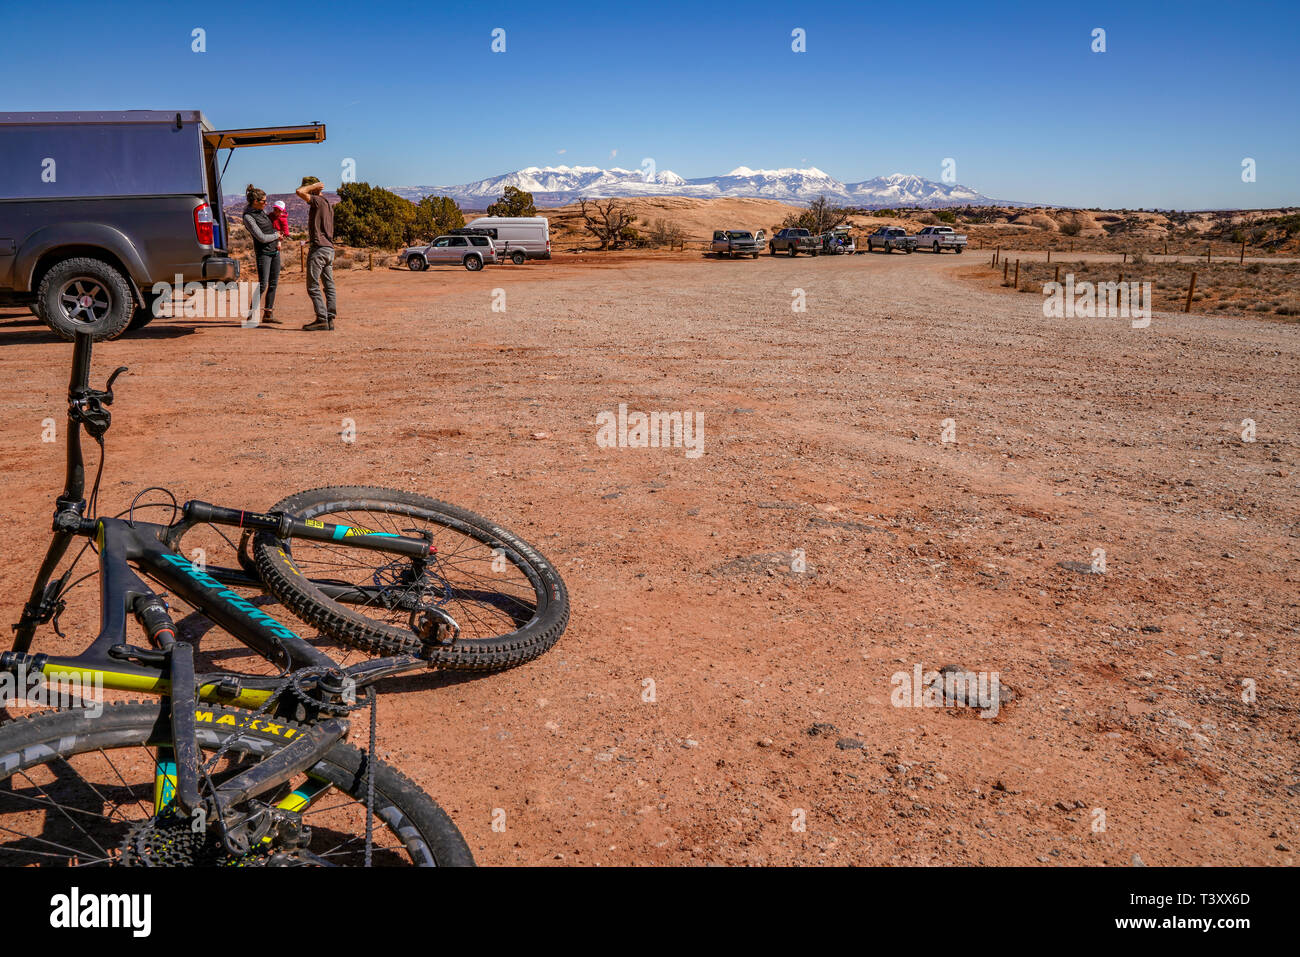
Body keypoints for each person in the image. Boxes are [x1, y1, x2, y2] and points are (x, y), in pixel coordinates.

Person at [295, 176, 335, 331]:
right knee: (329, 285)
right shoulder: (327, 204)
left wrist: (313, 186)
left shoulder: (317, 201)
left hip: (318, 249)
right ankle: (329, 318)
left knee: (313, 286)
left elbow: (299, 192)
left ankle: (321, 319)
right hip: (329, 249)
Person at [241, 184, 281, 324]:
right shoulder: (248, 217)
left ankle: (268, 315)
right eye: (264, 201)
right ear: (255, 202)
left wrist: (277, 239)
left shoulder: (261, 212)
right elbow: (261, 237)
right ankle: (251, 315)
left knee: (273, 283)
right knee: (263, 284)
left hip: (274, 251)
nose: (266, 203)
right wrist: (276, 236)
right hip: (263, 253)